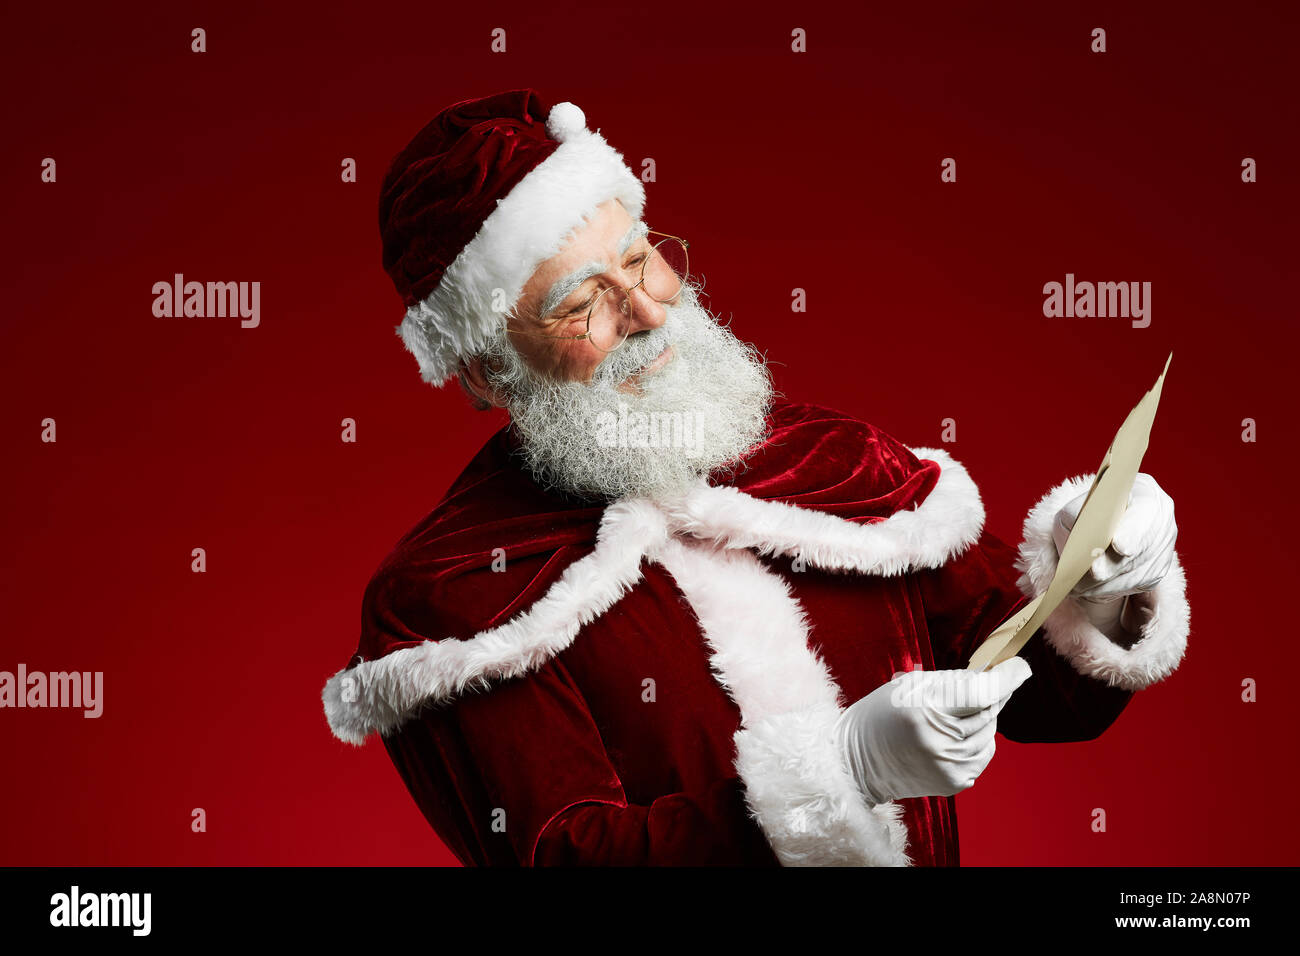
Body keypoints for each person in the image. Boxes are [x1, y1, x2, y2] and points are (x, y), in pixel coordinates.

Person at [321, 89, 1189, 866]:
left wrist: (1110, 576)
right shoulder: (454, 597)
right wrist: (842, 773)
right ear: (480, 371)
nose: (649, 313)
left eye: (638, 259)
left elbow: (1044, 687)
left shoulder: (829, 457)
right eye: (579, 302)